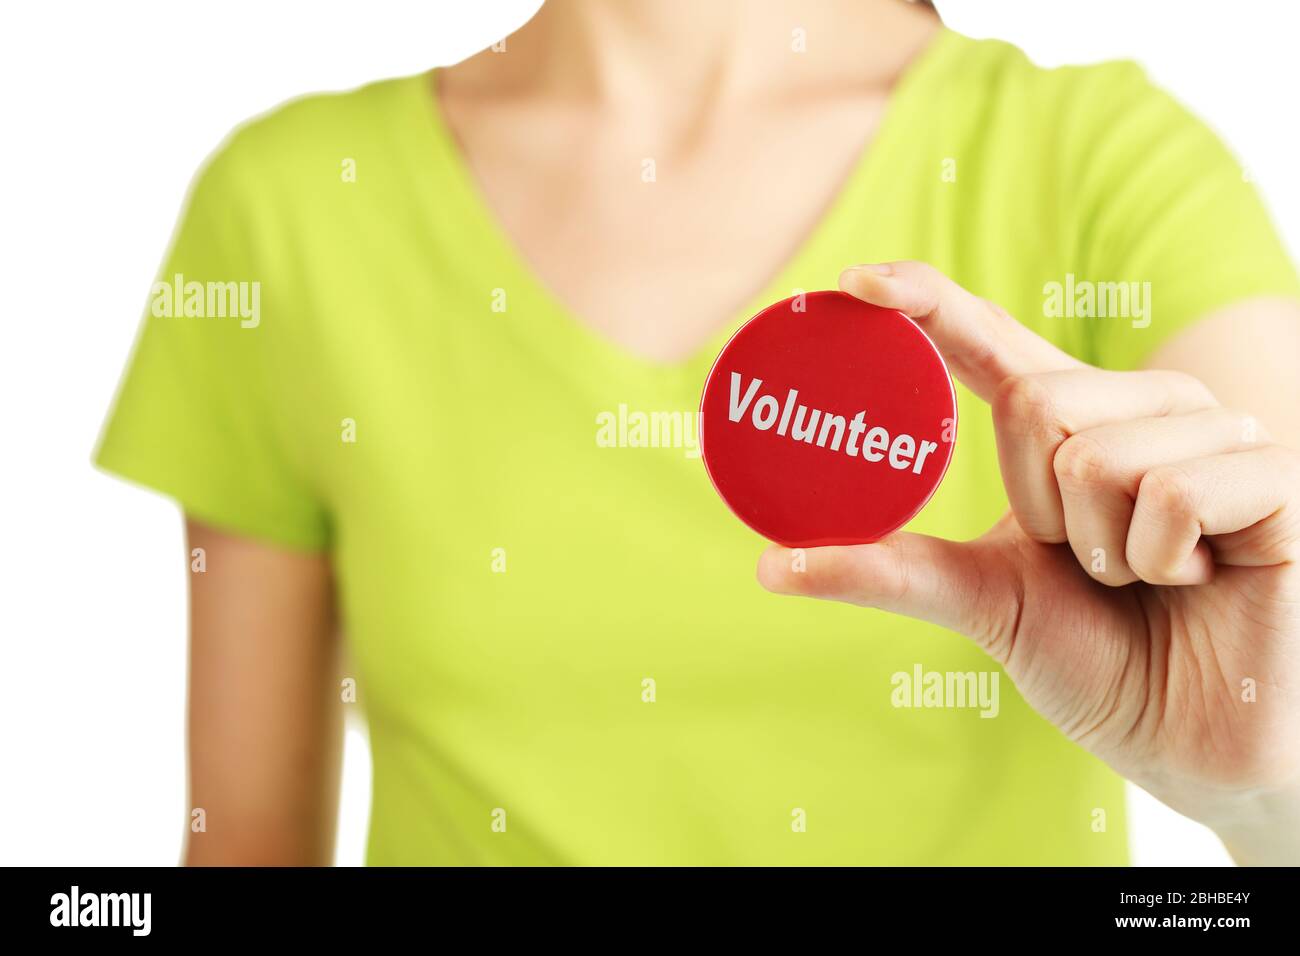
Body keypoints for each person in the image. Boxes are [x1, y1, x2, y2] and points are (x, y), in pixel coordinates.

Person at [96, 0, 1300, 865]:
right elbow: (244, 843)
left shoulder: (1102, 159)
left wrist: (1252, 794)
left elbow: (1270, 656)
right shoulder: (290, 206)